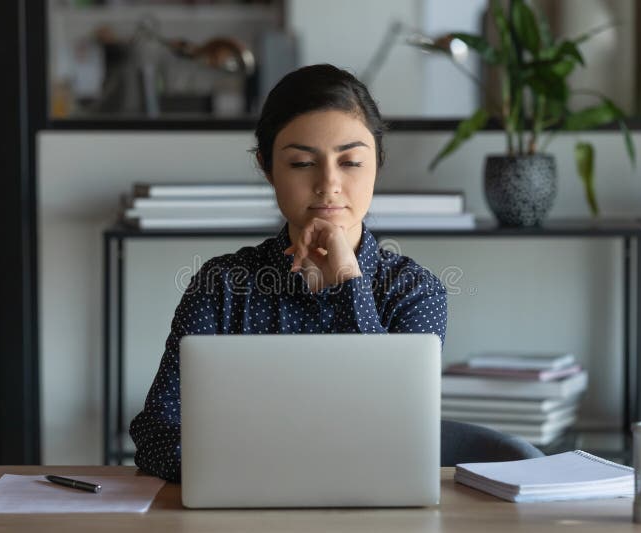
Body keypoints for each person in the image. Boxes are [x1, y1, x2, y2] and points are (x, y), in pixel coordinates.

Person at [129, 64, 448, 482]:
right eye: (301, 163)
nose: (329, 184)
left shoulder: (414, 291)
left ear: (378, 163)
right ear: (267, 167)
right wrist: (242, 477)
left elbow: (397, 427)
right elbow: (156, 431)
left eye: (351, 161)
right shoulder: (222, 285)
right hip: (238, 504)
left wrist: (348, 281)